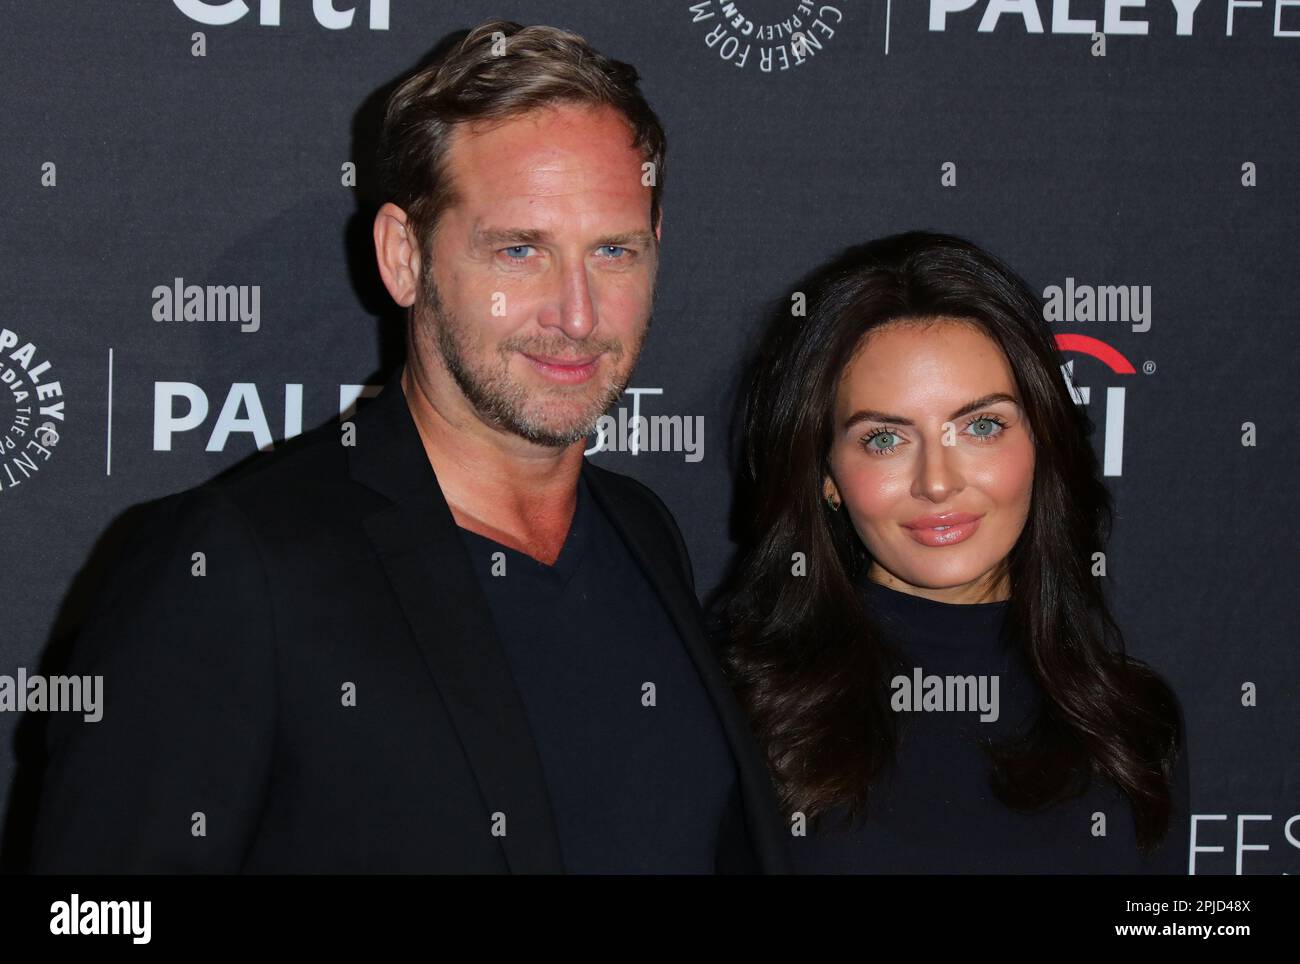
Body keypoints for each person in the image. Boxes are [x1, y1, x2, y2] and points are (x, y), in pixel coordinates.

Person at [29, 19, 789, 874]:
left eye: (614, 250)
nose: (578, 314)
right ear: (404, 257)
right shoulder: (233, 567)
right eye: (519, 251)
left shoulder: (640, 530)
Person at [716, 231, 1189, 873]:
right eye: (884, 439)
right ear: (826, 475)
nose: (936, 482)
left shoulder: (1130, 720)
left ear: (1042, 444)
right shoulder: (735, 707)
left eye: (982, 426)